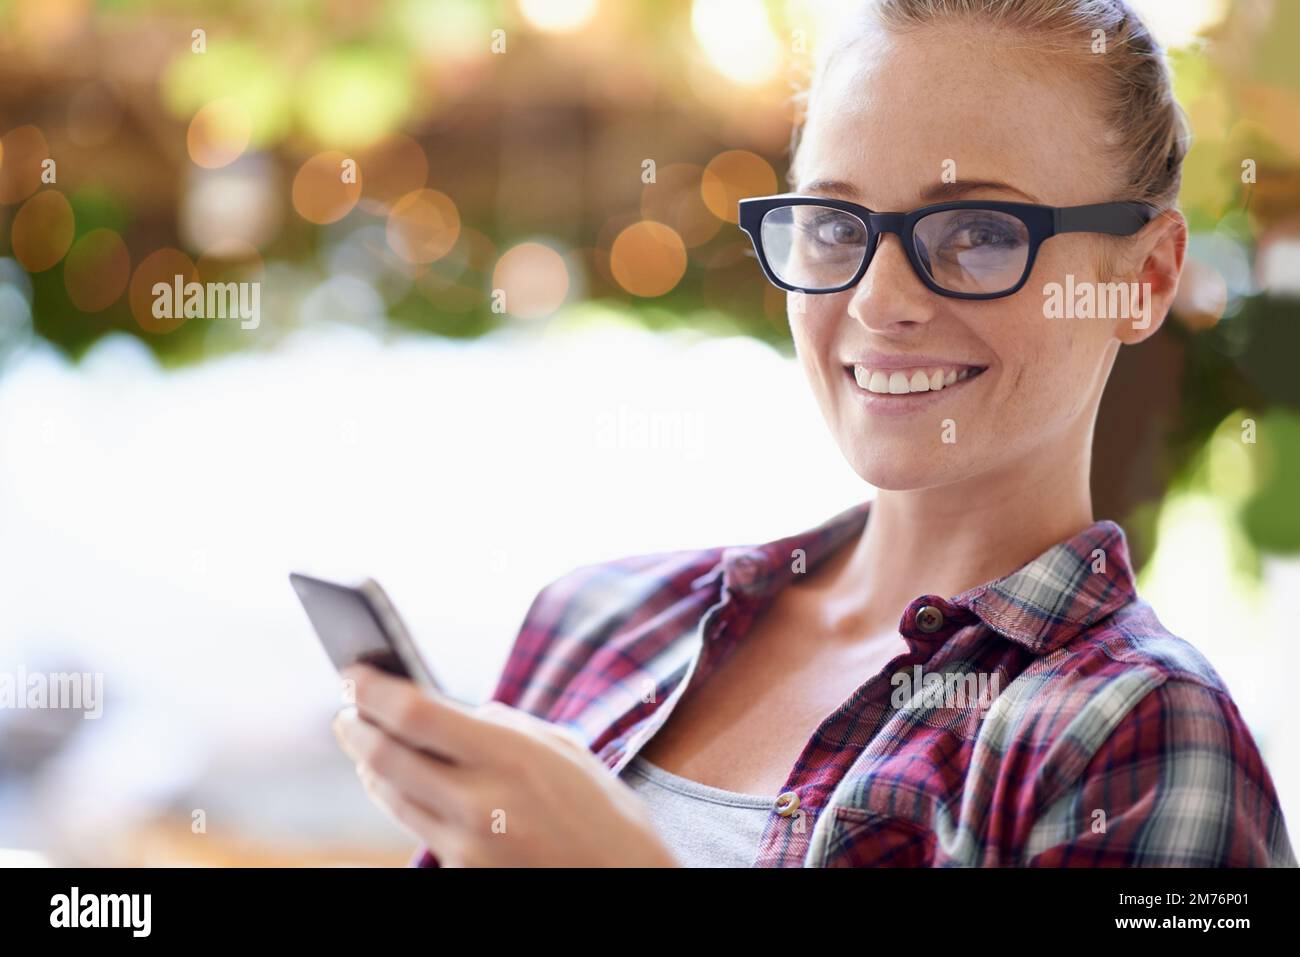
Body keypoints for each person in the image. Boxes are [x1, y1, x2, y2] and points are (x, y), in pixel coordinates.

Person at [332, 0, 1296, 867]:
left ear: (1145, 278)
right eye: (836, 227)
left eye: (980, 232)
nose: (878, 301)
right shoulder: (598, 620)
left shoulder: (1137, 735)